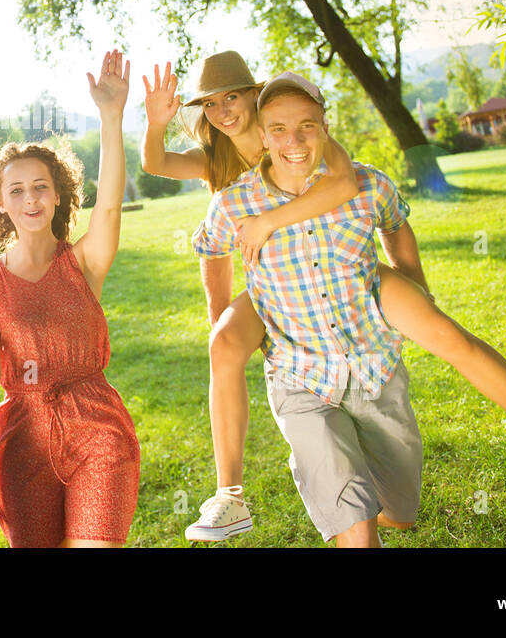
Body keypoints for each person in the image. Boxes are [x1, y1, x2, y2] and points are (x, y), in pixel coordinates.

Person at [191, 72, 506, 546]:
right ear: (261, 134)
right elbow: (210, 248)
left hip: (373, 365)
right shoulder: (235, 203)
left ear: (326, 127)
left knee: (399, 510)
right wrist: (225, 319)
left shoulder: (365, 185)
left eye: (307, 126)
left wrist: (413, 280)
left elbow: (396, 223)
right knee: (354, 521)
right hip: (301, 378)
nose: (293, 140)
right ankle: (237, 495)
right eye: (278, 128)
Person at [141, 51, 362, 540]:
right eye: (210, 104)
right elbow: (154, 161)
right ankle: (230, 497)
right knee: (222, 344)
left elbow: (348, 183)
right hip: (269, 283)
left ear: (255, 93)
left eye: (233, 96)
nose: (222, 110)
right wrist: (156, 122)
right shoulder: (214, 158)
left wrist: (268, 222)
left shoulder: (293, 135)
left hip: (323, 276)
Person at [0, 49, 140, 548]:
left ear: (59, 194)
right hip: (22, 438)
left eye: (40, 186)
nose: (30, 199)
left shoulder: (82, 262)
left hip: (95, 425)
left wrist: (111, 115)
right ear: (1, 202)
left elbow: (109, 205)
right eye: (16, 190)